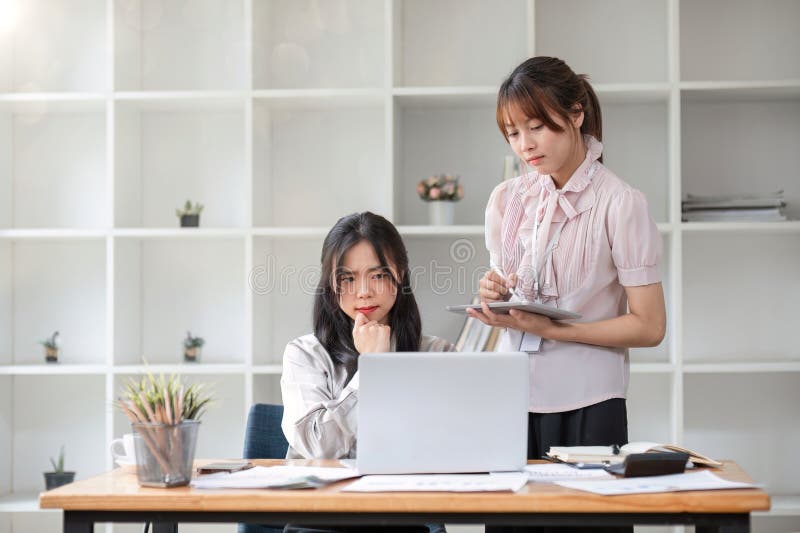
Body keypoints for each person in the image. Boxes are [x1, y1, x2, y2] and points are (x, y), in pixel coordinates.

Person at [471, 56, 666, 532]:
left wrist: (555, 328)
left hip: (589, 403)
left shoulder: (620, 204)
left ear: (576, 113)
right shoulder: (507, 200)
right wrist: (493, 290)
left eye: (536, 126)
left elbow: (649, 325)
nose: (525, 144)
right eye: (512, 133)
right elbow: (509, 284)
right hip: (511, 397)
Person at [281, 211, 452, 533]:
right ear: (330, 284)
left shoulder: (437, 354)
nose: (363, 291)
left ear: (399, 274)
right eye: (347, 278)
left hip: (407, 517)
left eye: (377, 275)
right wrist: (372, 369)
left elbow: (451, 451)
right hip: (319, 518)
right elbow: (318, 447)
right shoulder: (304, 354)